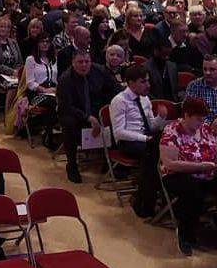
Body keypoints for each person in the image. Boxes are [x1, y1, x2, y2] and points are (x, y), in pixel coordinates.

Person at [159, 98, 217, 255]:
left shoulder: (206, 129)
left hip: (207, 172)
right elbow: (170, 164)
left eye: (203, 119)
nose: (201, 122)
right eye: (198, 119)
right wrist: (201, 166)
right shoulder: (172, 131)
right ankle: (185, 234)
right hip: (178, 174)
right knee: (192, 192)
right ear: (186, 115)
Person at [56, 51, 117, 183]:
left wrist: (104, 112)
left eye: (86, 62)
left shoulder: (100, 71)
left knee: (116, 117)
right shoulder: (65, 79)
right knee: (69, 123)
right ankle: (71, 165)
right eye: (80, 62)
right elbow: (67, 106)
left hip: (97, 110)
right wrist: (88, 118)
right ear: (73, 63)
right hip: (75, 114)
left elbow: (115, 89)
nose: (84, 65)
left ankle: (110, 162)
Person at [109, 65, 167, 158]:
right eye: (143, 82)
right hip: (127, 142)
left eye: (148, 80)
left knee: (170, 142)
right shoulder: (119, 101)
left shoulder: (145, 99)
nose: (148, 85)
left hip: (146, 138)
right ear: (132, 83)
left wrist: (160, 117)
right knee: (154, 149)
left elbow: (151, 127)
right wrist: (145, 138)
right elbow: (119, 132)